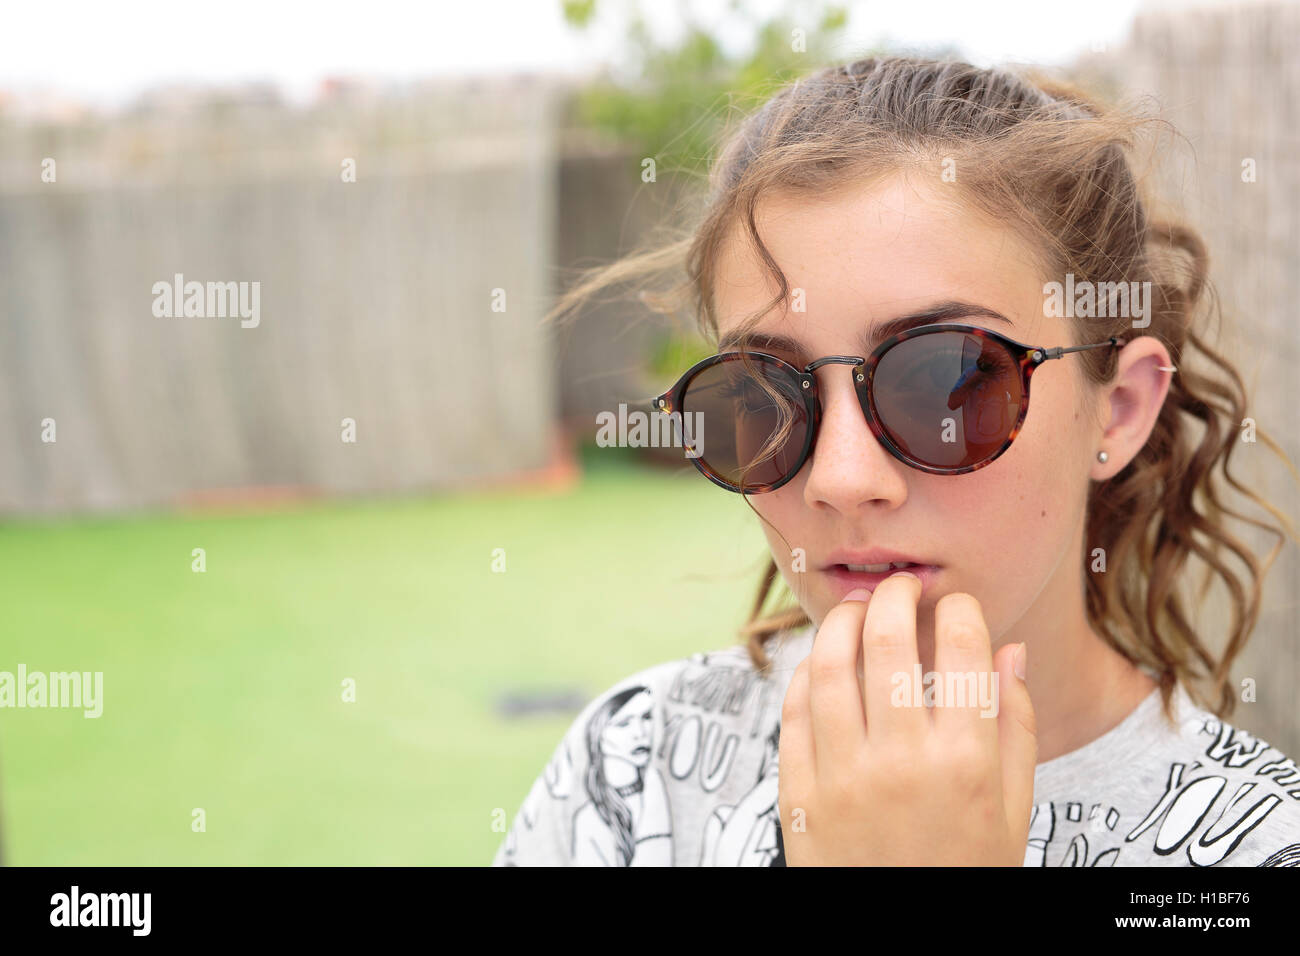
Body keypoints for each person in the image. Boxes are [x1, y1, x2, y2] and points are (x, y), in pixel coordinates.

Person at [493, 55, 1300, 866]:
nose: (841, 478)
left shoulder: (1253, 848)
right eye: (761, 396)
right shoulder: (632, 773)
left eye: (945, 382)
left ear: (1119, 409)